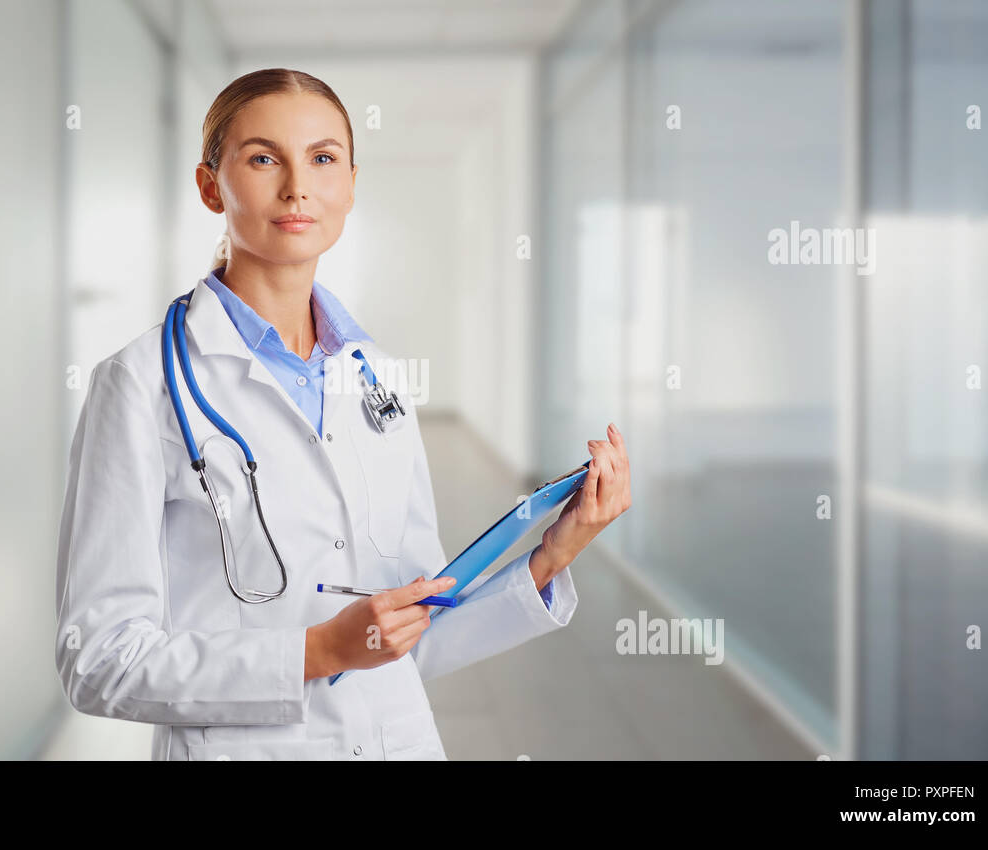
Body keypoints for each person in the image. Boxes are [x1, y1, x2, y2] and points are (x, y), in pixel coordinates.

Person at [54, 68, 632, 760]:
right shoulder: (139, 385)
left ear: (351, 183)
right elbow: (99, 660)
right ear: (211, 186)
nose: (298, 186)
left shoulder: (378, 378)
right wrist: (318, 650)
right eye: (264, 158)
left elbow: (411, 629)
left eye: (323, 159)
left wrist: (551, 556)